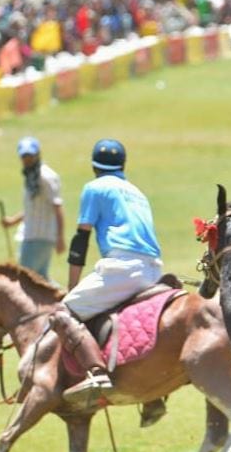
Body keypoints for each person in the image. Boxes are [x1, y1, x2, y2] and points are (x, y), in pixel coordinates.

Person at [50, 139, 164, 408]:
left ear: (94, 166)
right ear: (123, 165)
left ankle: (97, 373)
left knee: (63, 313)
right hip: (154, 269)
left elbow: (81, 241)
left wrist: (72, 287)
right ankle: (153, 396)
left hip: (123, 267)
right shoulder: (137, 191)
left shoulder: (94, 188)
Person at [0, 137, 65, 279]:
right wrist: (13, 221)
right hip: (31, 234)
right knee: (40, 280)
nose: (27, 159)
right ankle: (63, 300)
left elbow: (57, 206)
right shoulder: (31, 177)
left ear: (37, 155)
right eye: (24, 156)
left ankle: (64, 299)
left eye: (30, 155)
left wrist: (60, 237)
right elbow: (33, 208)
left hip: (40, 235)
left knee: (26, 280)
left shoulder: (46, 177)